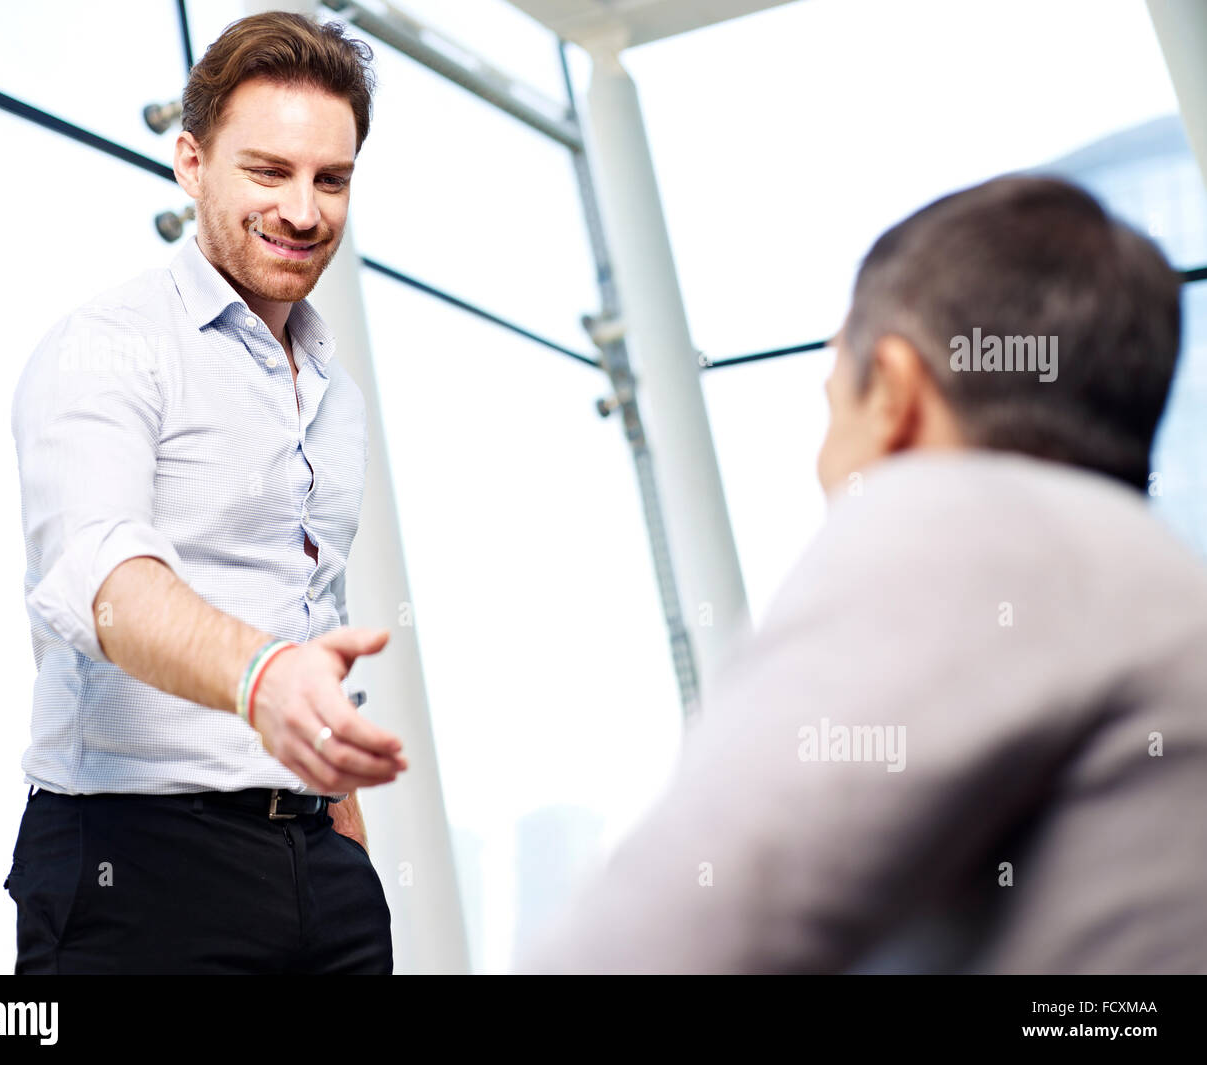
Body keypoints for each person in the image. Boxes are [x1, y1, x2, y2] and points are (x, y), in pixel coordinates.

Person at [515, 174, 1207, 974]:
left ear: (895, 395)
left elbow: (658, 941)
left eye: (832, 401)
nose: (821, 461)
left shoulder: (963, 523)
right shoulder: (1161, 589)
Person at [6, 11, 407, 974]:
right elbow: (101, 576)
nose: (303, 211)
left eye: (331, 179)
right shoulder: (109, 347)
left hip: (321, 866)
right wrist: (262, 678)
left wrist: (341, 821)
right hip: (136, 865)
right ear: (191, 163)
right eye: (268, 172)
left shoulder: (335, 391)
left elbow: (310, 604)